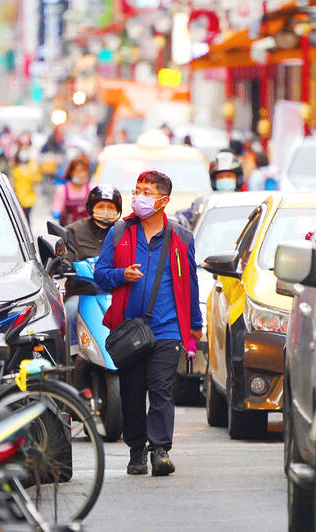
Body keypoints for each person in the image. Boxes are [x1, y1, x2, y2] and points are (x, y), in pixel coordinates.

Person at [94, 170, 202, 477]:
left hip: (168, 329)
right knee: (131, 390)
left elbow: (190, 283)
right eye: (137, 190)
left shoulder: (181, 237)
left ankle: (160, 450)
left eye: (147, 192)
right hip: (129, 329)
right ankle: (136, 450)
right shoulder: (119, 232)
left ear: (164, 201)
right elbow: (100, 276)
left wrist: (195, 324)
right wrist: (120, 276)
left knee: (161, 389)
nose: (139, 197)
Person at [62, 185, 123, 348]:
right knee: (71, 312)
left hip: (115, 293)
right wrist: (66, 266)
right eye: (101, 206)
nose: (105, 210)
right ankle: (74, 353)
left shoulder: (124, 232)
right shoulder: (72, 231)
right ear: (91, 207)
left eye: (110, 207)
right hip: (82, 293)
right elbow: (63, 258)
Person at [52, 156, 92, 226]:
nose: (82, 175)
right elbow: (57, 208)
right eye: (79, 171)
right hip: (68, 230)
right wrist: (56, 213)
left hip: (88, 231)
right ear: (71, 172)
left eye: (84, 171)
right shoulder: (62, 190)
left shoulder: (91, 188)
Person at [11, 144, 42, 220]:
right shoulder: (15, 167)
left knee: (27, 218)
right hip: (17, 198)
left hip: (28, 198)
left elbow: (37, 179)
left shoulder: (32, 165)